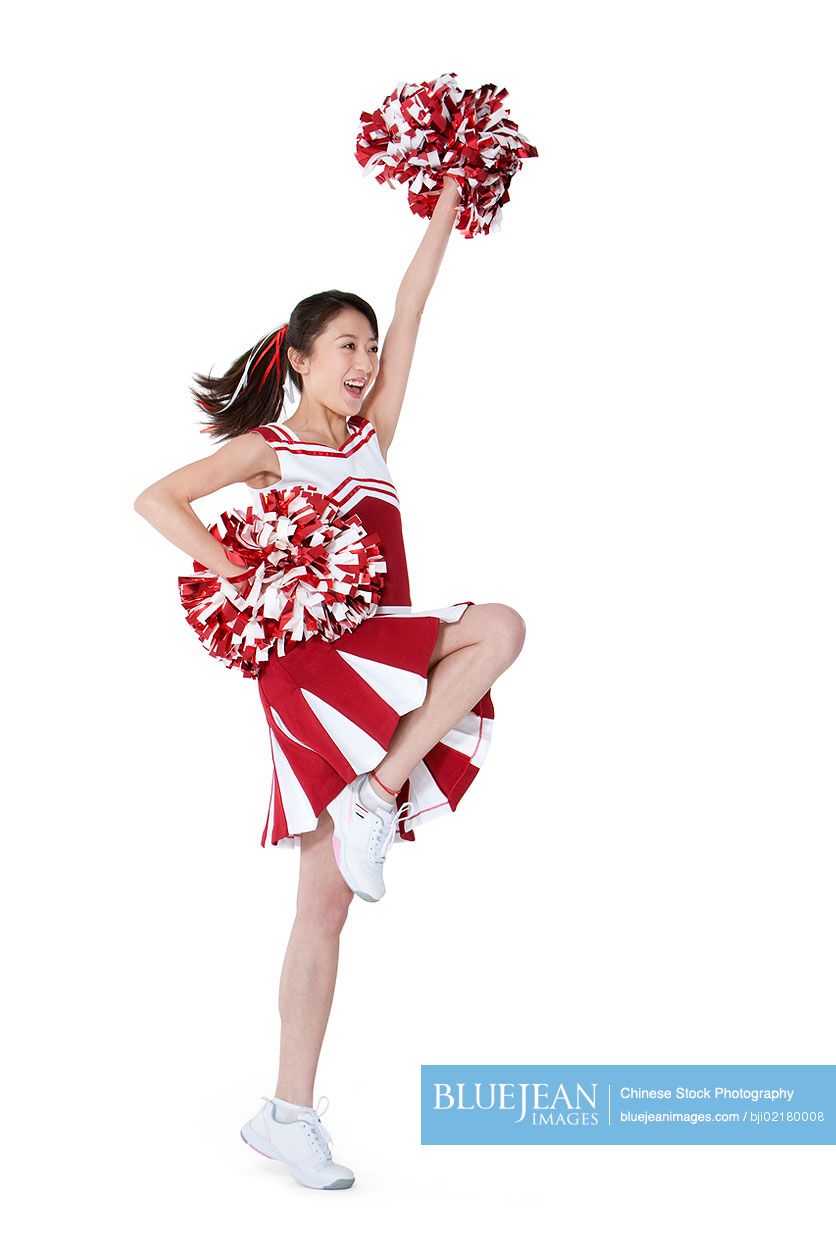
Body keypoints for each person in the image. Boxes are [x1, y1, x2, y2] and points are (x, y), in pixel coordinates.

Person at [133, 176, 526, 1189]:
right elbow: (158, 498)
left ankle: (284, 1112)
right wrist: (252, 577)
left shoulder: (373, 436)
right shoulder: (270, 449)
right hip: (313, 670)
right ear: (299, 358)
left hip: (381, 655)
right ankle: (381, 787)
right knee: (494, 629)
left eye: (366, 348)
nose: (362, 361)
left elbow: (414, 302)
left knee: (324, 907)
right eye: (342, 347)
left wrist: (446, 198)